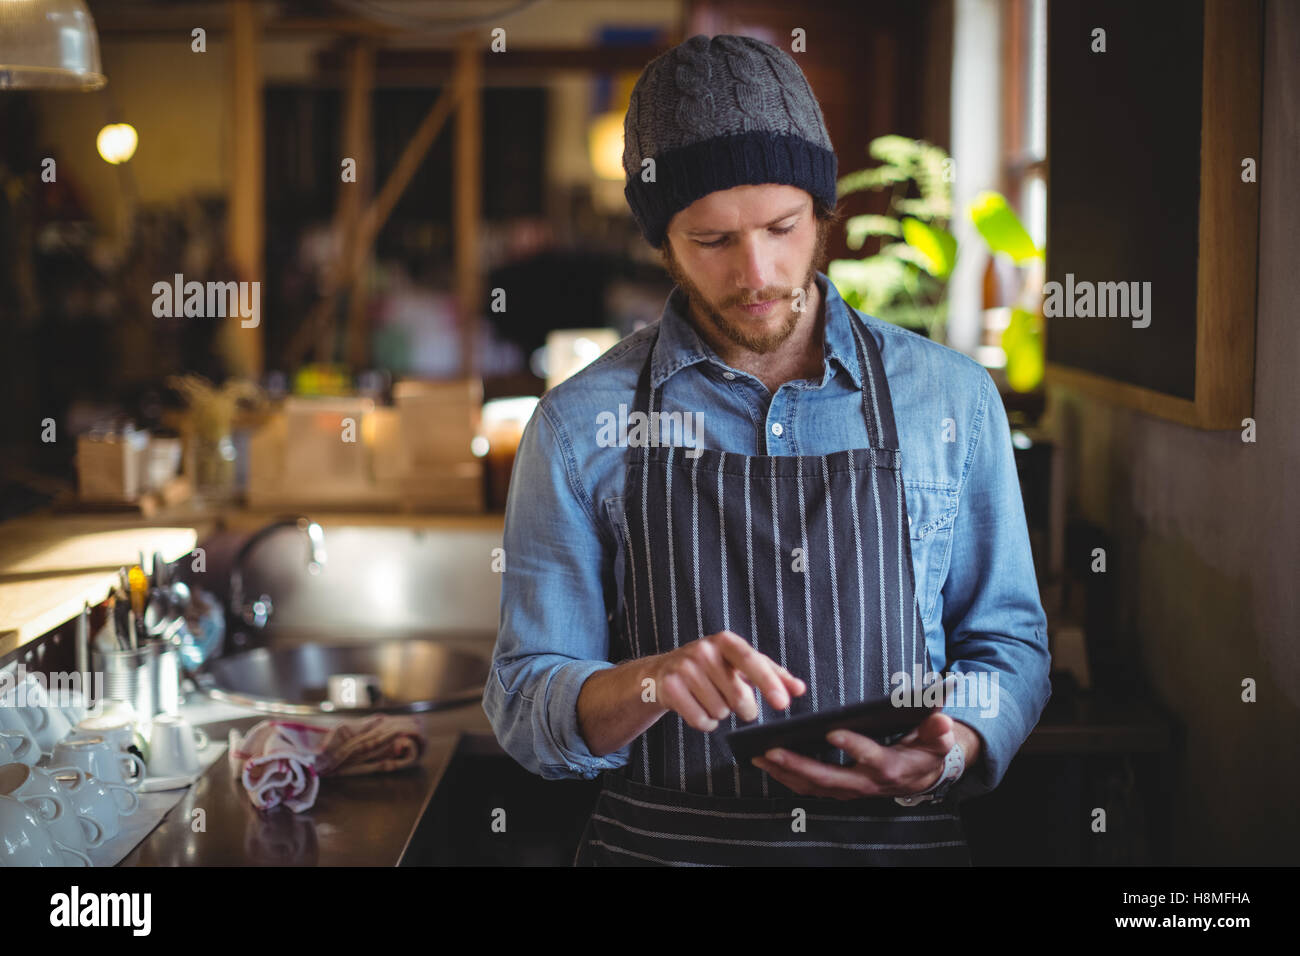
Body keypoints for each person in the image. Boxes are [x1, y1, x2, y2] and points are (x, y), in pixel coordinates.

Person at [483, 33, 1051, 866]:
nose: (757, 273)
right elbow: (525, 698)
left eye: (782, 227)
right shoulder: (580, 424)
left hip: (897, 846)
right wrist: (647, 681)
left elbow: (1006, 640)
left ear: (821, 212)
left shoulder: (950, 400)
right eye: (712, 240)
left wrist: (955, 741)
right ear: (661, 241)